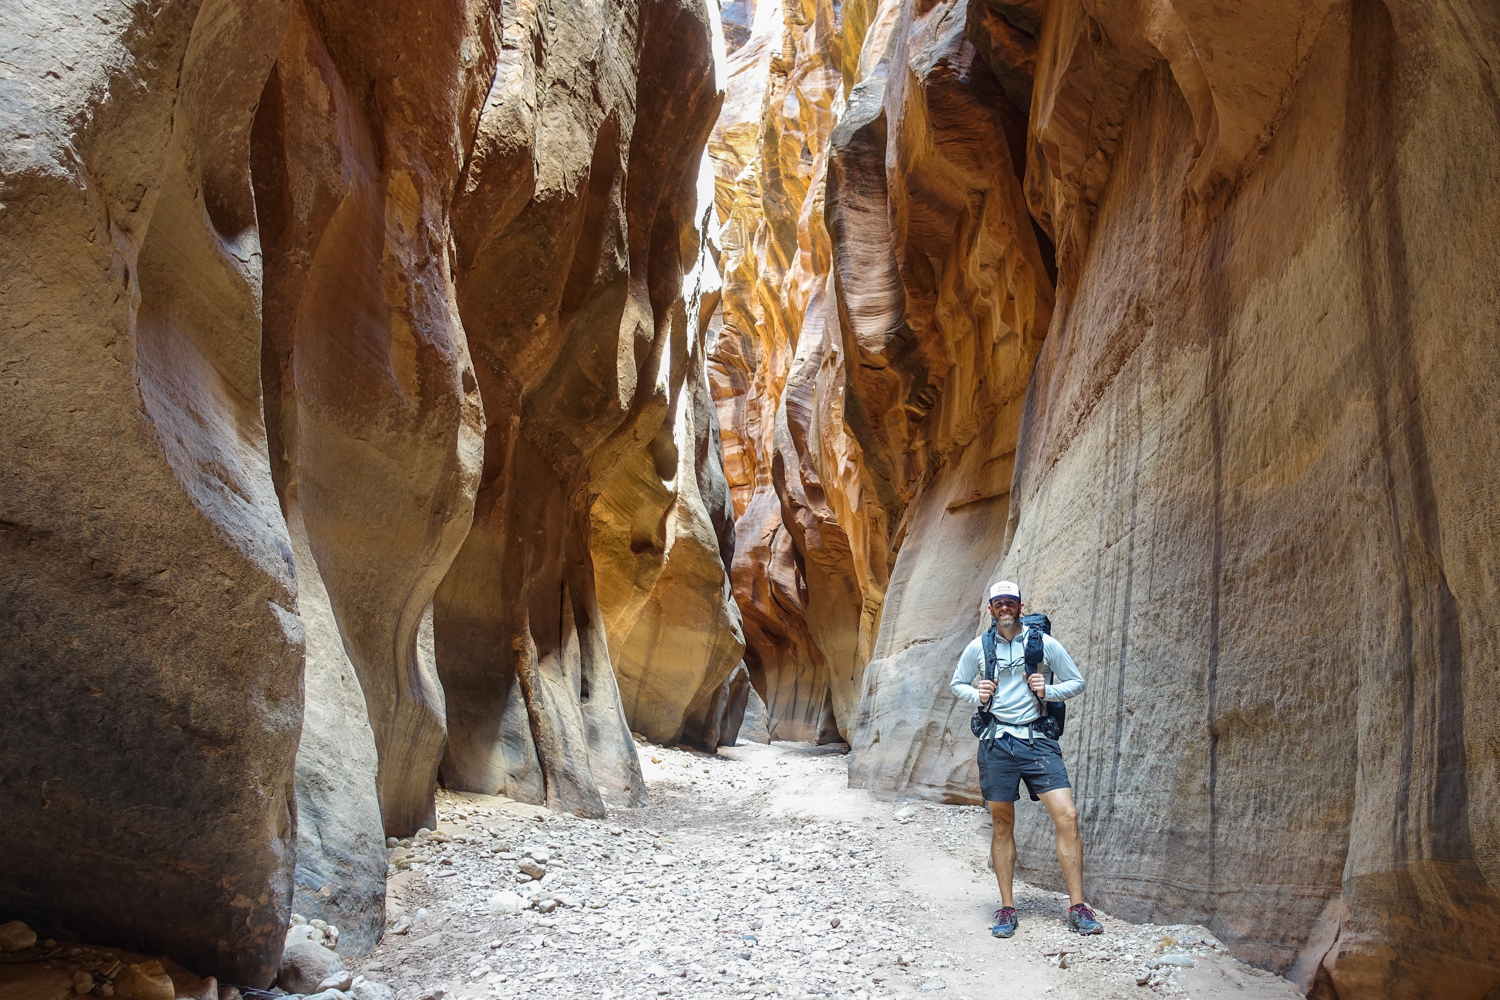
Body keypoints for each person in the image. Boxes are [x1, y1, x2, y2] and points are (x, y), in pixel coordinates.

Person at [950, 579, 1103, 938]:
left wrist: (1048, 690)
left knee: (1067, 815)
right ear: (991, 610)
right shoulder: (979, 647)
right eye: (998, 603)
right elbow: (957, 683)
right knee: (1002, 823)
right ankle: (1007, 908)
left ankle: (1078, 907)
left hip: (1037, 741)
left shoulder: (1042, 643)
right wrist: (976, 694)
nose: (1004, 608)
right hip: (996, 742)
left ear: (1021, 607)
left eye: (1010, 602)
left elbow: (1077, 682)